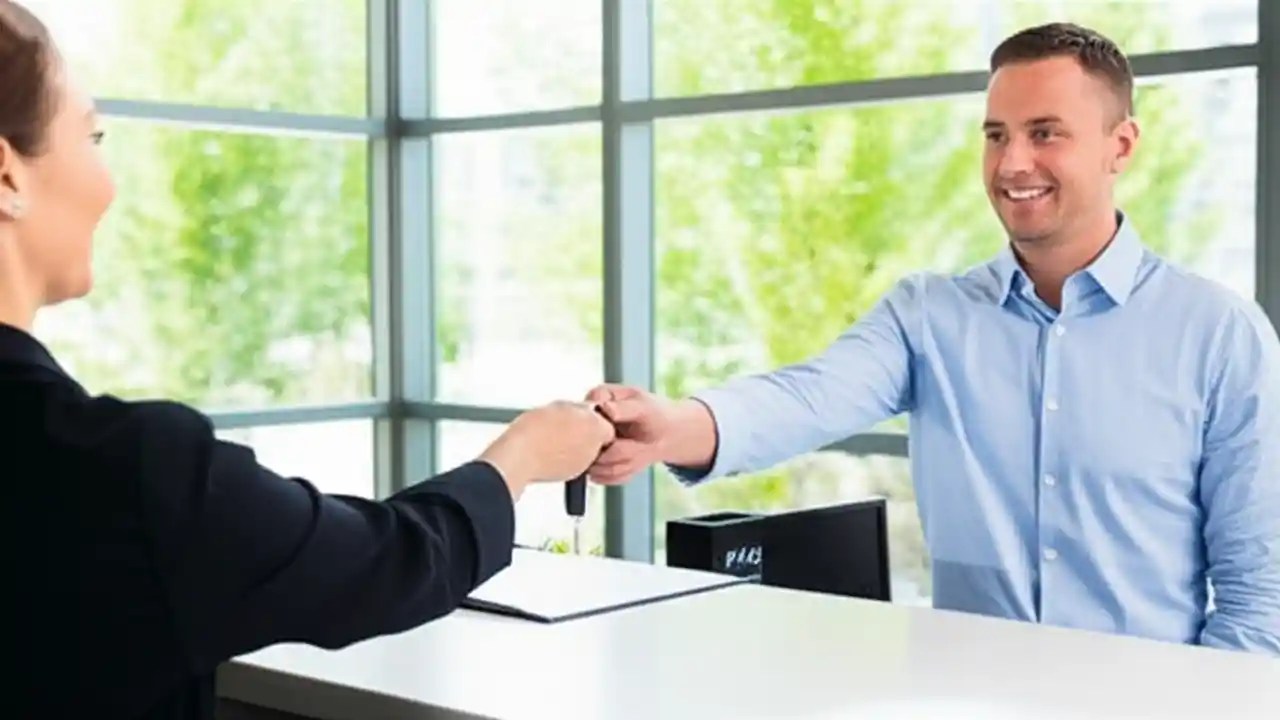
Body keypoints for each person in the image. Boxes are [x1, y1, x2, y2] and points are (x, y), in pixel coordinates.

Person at [1, 3, 615, 718]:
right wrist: (525, 456)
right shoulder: (122, 473)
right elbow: (390, 564)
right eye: (94, 135)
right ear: (7, 175)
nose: (109, 179)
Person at [586, 22, 1280, 655]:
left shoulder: (1219, 335)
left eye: (1045, 133)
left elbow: (1259, 596)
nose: (1012, 165)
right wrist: (670, 425)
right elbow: (809, 396)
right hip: (966, 694)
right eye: (996, 134)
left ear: (1119, 146)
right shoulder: (928, 315)